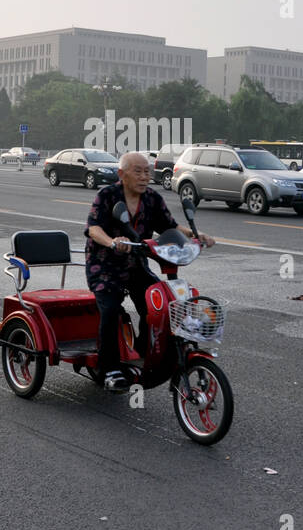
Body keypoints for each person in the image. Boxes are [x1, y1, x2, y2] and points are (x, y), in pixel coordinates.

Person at [84, 151, 215, 392]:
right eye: (138, 171)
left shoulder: (152, 198)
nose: (145, 176)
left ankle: (144, 356)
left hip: (135, 265)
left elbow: (170, 226)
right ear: (122, 174)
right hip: (104, 266)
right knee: (110, 310)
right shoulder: (107, 195)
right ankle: (109, 369)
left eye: (147, 171)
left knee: (158, 306)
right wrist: (113, 242)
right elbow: (94, 229)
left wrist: (196, 236)